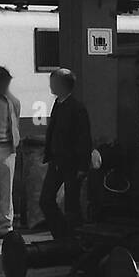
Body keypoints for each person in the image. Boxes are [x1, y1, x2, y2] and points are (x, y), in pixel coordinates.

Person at [41, 68, 91, 240]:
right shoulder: (57, 104)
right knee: (45, 199)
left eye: (54, 82)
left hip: (72, 164)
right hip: (56, 162)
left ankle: (76, 239)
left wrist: (83, 166)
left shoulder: (77, 108)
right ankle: (61, 235)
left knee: (72, 205)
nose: (50, 86)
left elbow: (84, 138)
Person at [0, 65, 22, 239]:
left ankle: (5, 227)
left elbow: (16, 122)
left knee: (6, 190)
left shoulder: (13, 101)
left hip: (8, 150)